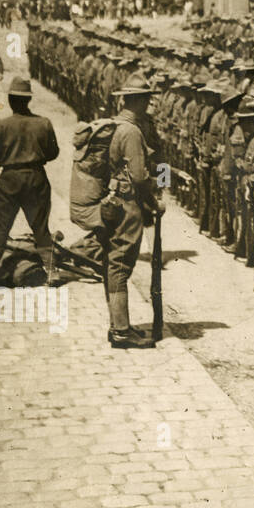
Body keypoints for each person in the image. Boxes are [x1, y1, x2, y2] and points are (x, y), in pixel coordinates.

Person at [103, 72, 164, 349]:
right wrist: (154, 203)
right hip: (128, 204)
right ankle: (121, 331)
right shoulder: (132, 131)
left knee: (115, 262)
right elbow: (139, 177)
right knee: (120, 264)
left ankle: (119, 326)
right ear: (139, 101)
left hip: (117, 199)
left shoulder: (117, 125)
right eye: (147, 99)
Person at [0, 76, 60, 284]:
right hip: (36, 178)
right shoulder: (44, 123)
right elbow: (53, 153)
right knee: (41, 227)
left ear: (10, 100)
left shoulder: (2, 125)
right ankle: (52, 272)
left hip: (9, 180)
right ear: (28, 100)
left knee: (1, 228)